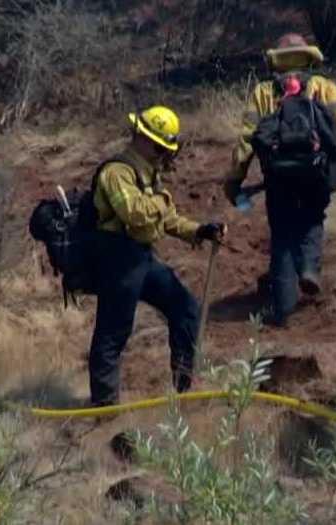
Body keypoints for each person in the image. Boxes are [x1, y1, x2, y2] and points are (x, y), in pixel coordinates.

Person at [224, 32, 336, 327]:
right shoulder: (322, 87)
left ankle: (282, 307)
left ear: (276, 60)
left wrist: (234, 179)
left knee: (283, 234)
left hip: (277, 176)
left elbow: (247, 139)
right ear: (309, 56)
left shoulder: (262, 93)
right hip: (316, 172)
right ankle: (309, 268)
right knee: (312, 220)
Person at [89, 105, 225, 406]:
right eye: (159, 146)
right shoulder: (117, 172)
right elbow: (135, 213)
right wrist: (162, 201)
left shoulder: (148, 174)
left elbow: (167, 219)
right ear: (140, 136)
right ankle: (103, 409)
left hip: (141, 259)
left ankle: (184, 390)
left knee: (186, 308)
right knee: (113, 335)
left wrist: (199, 230)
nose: (164, 153)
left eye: (166, 148)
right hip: (116, 262)